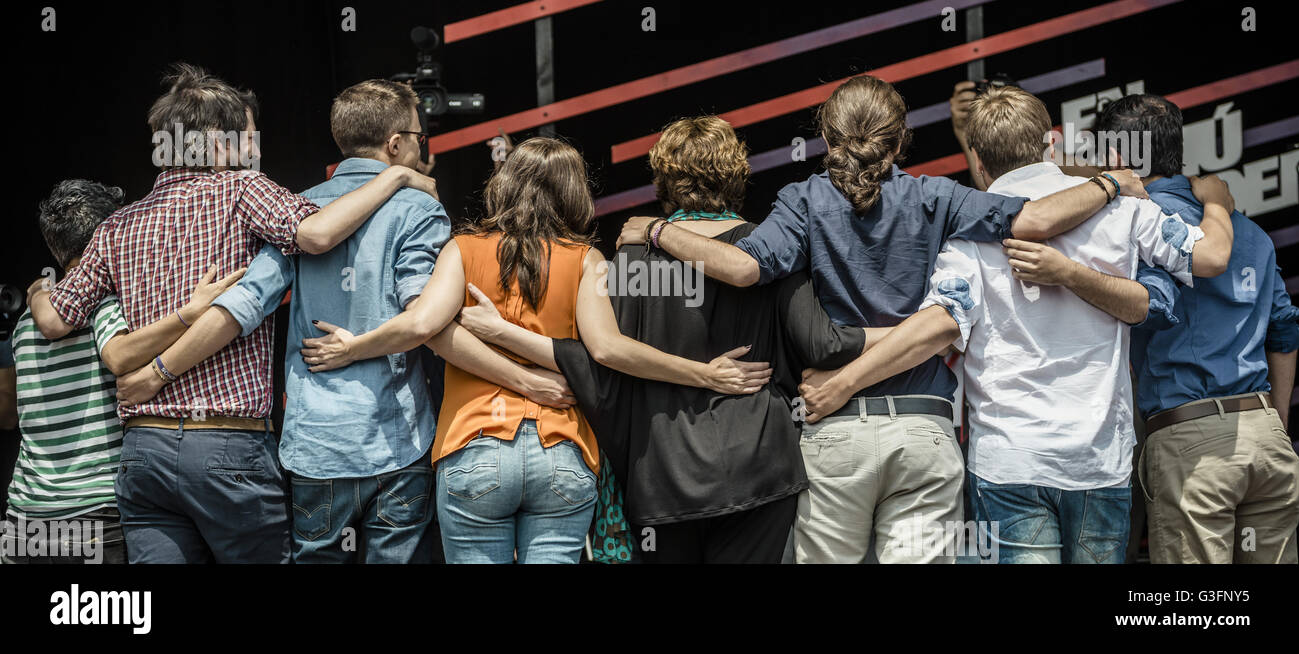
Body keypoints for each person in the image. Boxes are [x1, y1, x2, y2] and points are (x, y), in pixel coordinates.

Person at [618, 75, 1149, 563]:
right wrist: (1109, 182)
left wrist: (659, 231)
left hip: (834, 431)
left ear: (827, 140)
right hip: (926, 432)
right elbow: (1033, 218)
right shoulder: (935, 195)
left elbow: (741, 268)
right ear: (899, 143)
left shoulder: (802, 201)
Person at [25, 64, 439, 564]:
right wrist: (396, 176)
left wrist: (37, 289)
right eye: (249, 137)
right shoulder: (243, 191)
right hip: (226, 446)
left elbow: (52, 321)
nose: (256, 148)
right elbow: (316, 235)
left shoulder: (118, 224)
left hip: (144, 451)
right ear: (218, 143)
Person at [299, 137, 772, 563]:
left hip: (475, 446)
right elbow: (609, 350)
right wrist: (704, 374)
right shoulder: (587, 258)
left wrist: (355, 347)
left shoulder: (463, 248)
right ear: (574, 192)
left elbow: (423, 324)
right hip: (563, 453)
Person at [456, 117, 868, 563]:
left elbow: (604, 360)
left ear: (663, 179)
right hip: (760, 468)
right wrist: (922, 329)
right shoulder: (766, 250)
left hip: (663, 476)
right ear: (737, 173)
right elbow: (820, 344)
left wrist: (506, 336)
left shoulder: (633, 260)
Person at [861, 86, 1234, 564]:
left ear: (976, 160)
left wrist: (841, 376)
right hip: (1099, 459)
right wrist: (1218, 202)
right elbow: (1211, 257)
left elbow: (937, 330)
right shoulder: (1126, 208)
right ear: (1053, 145)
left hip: (1009, 458)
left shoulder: (967, 234)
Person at [1090, 94, 1296, 564]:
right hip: (1264, 436)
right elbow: (1284, 331)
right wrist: (1276, 422)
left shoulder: (1126, 228)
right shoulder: (1252, 233)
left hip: (1190, 441)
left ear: (1118, 158)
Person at [3, 180, 242, 564]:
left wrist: (37, 292)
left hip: (25, 517)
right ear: (107, 236)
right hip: (95, 514)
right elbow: (121, 353)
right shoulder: (105, 303)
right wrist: (188, 315)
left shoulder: (26, 323)